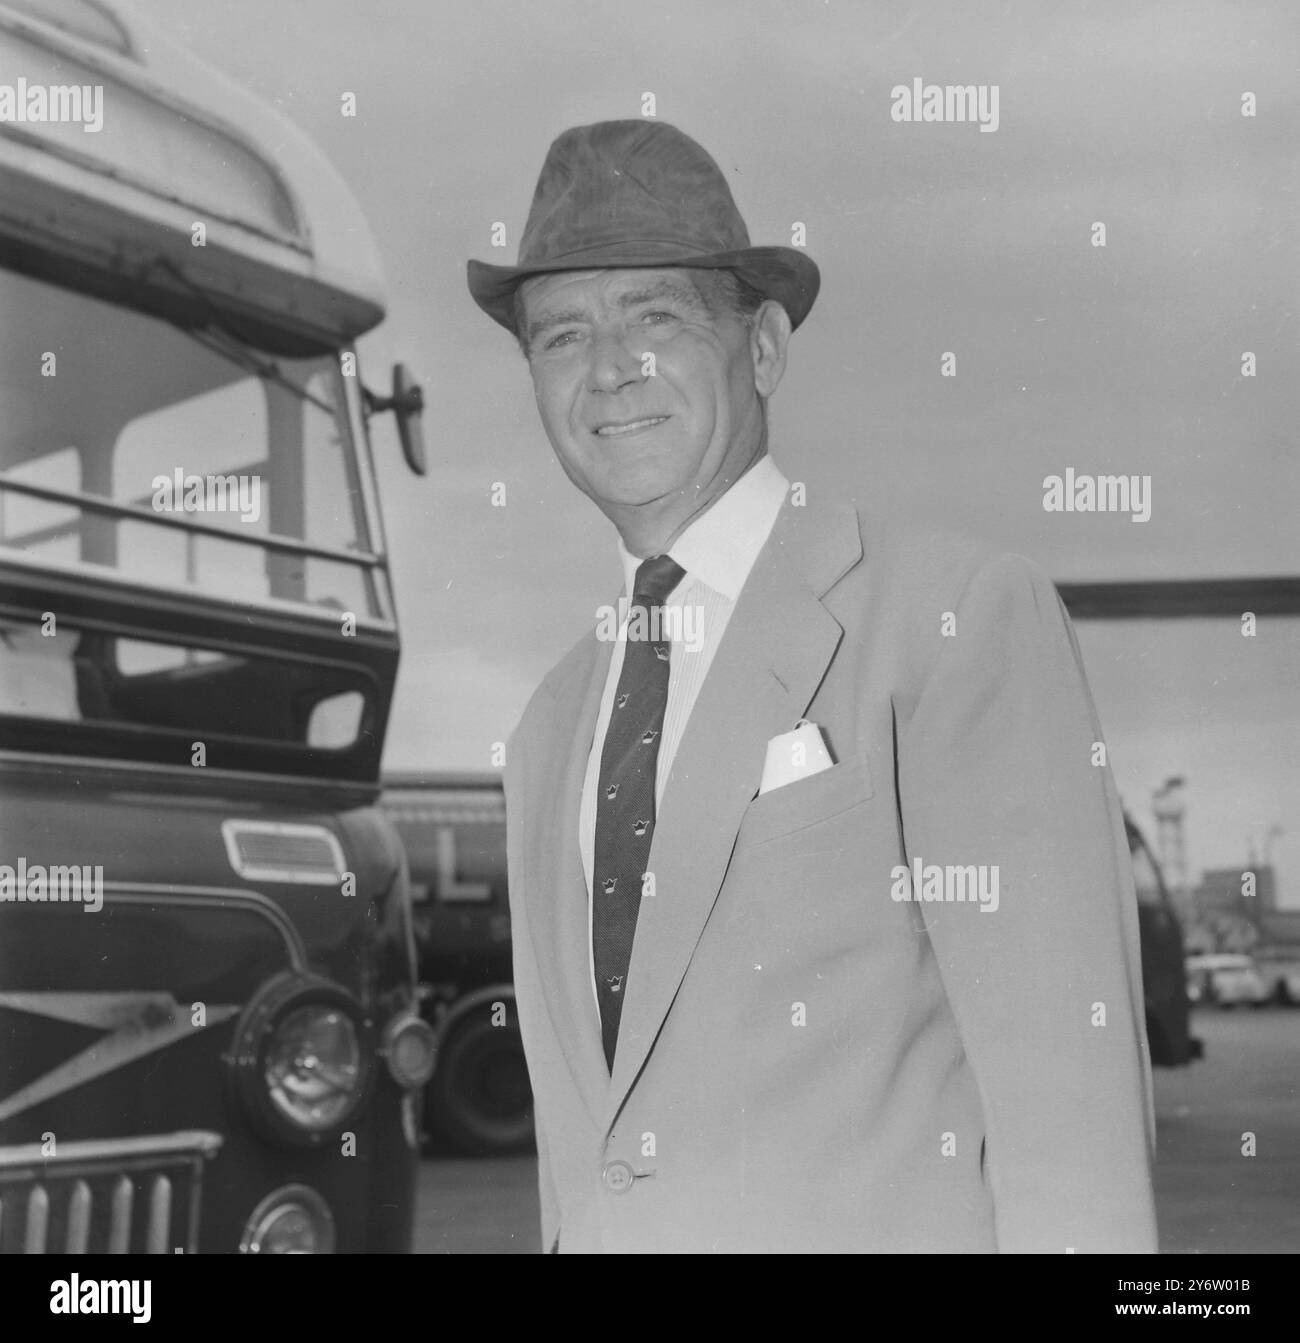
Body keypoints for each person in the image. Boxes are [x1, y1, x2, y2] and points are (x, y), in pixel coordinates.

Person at [467, 118, 1158, 1253]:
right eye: (559, 336)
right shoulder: (549, 725)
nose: (605, 371)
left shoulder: (953, 619)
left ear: (766, 347)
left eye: (655, 318)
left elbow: (1067, 1125)